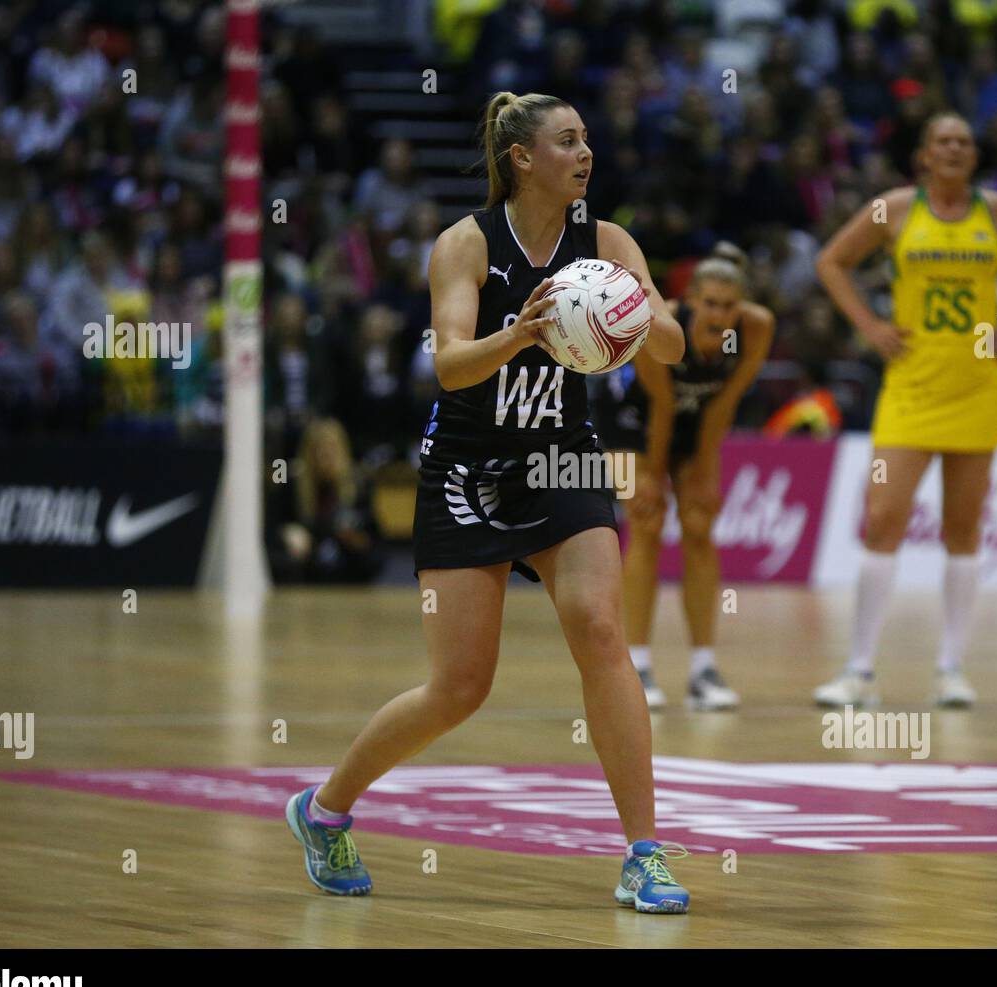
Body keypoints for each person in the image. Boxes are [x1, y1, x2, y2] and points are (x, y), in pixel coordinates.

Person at [286, 92, 695, 913]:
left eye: (587, 140)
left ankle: (644, 853)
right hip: (468, 469)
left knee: (603, 630)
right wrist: (523, 332)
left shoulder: (608, 242)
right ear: (522, 158)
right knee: (460, 687)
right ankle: (323, 809)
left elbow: (677, 346)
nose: (586, 154)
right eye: (568, 142)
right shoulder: (465, 245)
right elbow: (449, 364)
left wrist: (634, 314)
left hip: (565, 462)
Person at [812, 112, 997, 707]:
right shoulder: (895, 208)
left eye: (964, 141)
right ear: (924, 155)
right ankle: (860, 672)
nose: (954, 148)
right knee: (882, 519)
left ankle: (952, 668)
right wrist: (870, 325)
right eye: (943, 141)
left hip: (977, 385)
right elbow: (831, 261)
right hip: (910, 385)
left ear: (974, 156)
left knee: (964, 528)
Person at [604, 244, 773, 709]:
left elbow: (723, 403)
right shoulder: (660, 329)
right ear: (691, 299)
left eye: (728, 305)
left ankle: (703, 670)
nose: (719, 314)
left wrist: (702, 470)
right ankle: (637, 664)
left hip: (694, 421)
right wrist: (656, 478)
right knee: (648, 520)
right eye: (710, 303)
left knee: (700, 525)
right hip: (631, 424)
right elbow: (659, 405)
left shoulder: (756, 328)